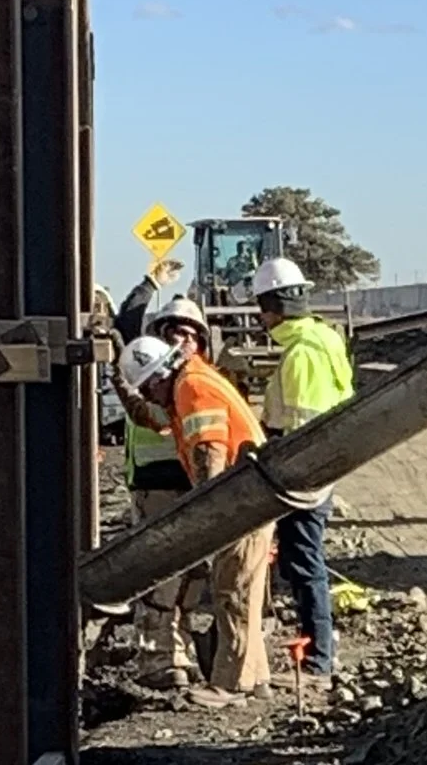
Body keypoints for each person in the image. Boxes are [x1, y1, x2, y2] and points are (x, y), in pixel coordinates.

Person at [122, 304, 276, 693]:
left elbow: (210, 449)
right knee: (244, 591)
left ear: (160, 375)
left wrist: (211, 514)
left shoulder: (191, 386)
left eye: (148, 388)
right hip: (250, 495)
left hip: (240, 499)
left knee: (232, 592)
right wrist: (121, 385)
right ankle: (255, 678)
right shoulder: (187, 382)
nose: (150, 397)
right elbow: (152, 417)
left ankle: (230, 685)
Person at [253, 254, 352, 678]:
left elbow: (297, 427)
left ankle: (318, 656)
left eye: (262, 310)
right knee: (301, 558)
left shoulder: (299, 354)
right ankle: (317, 647)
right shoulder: (324, 337)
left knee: (305, 562)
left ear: (272, 308)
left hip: (304, 474)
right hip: (323, 466)